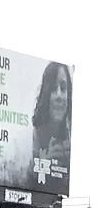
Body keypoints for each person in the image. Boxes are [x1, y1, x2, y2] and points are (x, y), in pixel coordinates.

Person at [29, 63, 72, 196]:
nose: (59, 96)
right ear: (46, 94)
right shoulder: (32, 136)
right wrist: (46, 164)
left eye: (63, 88)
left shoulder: (72, 138)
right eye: (53, 89)